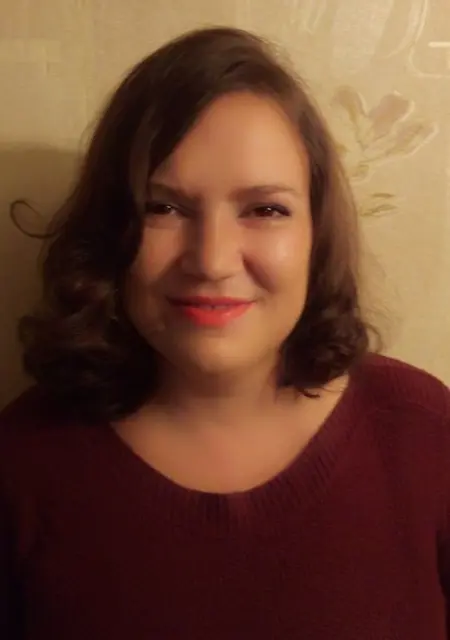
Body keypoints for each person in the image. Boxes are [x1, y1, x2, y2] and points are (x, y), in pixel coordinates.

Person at [1, 26, 449, 640]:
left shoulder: (426, 437)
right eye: (163, 207)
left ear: (315, 236)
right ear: (111, 229)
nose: (211, 261)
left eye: (265, 209)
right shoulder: (23, 469)